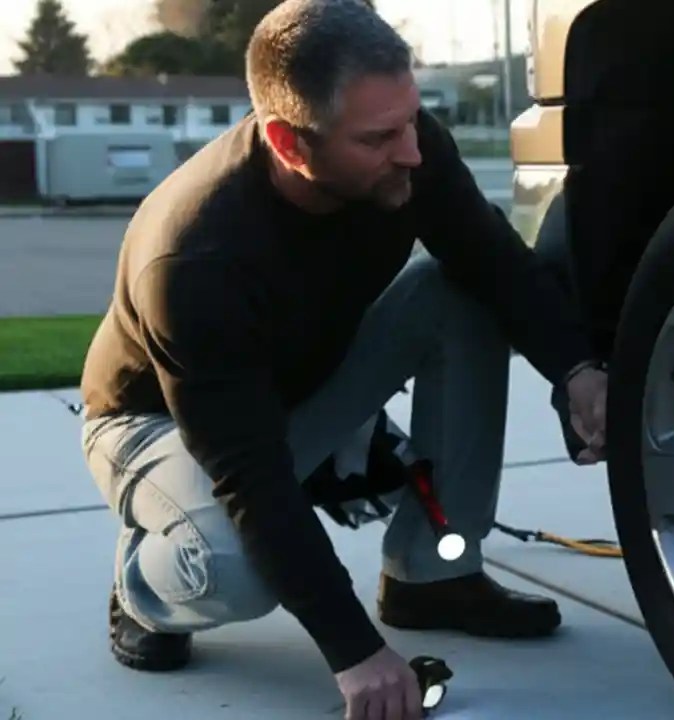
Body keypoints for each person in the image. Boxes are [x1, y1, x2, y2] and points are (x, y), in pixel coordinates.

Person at [77, 0, 608, 717]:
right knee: (236, 569)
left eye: (412, 119)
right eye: (379, 138)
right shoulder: (194, 257)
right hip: (153, 426)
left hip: (288, 387)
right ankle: (143, 588)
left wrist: (576, 370)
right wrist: (354, 652)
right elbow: (251, 476)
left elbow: (493, 263)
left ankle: (430, 574)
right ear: (289, 145)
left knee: (457, 292)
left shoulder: (410, 149)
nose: (413, 152)